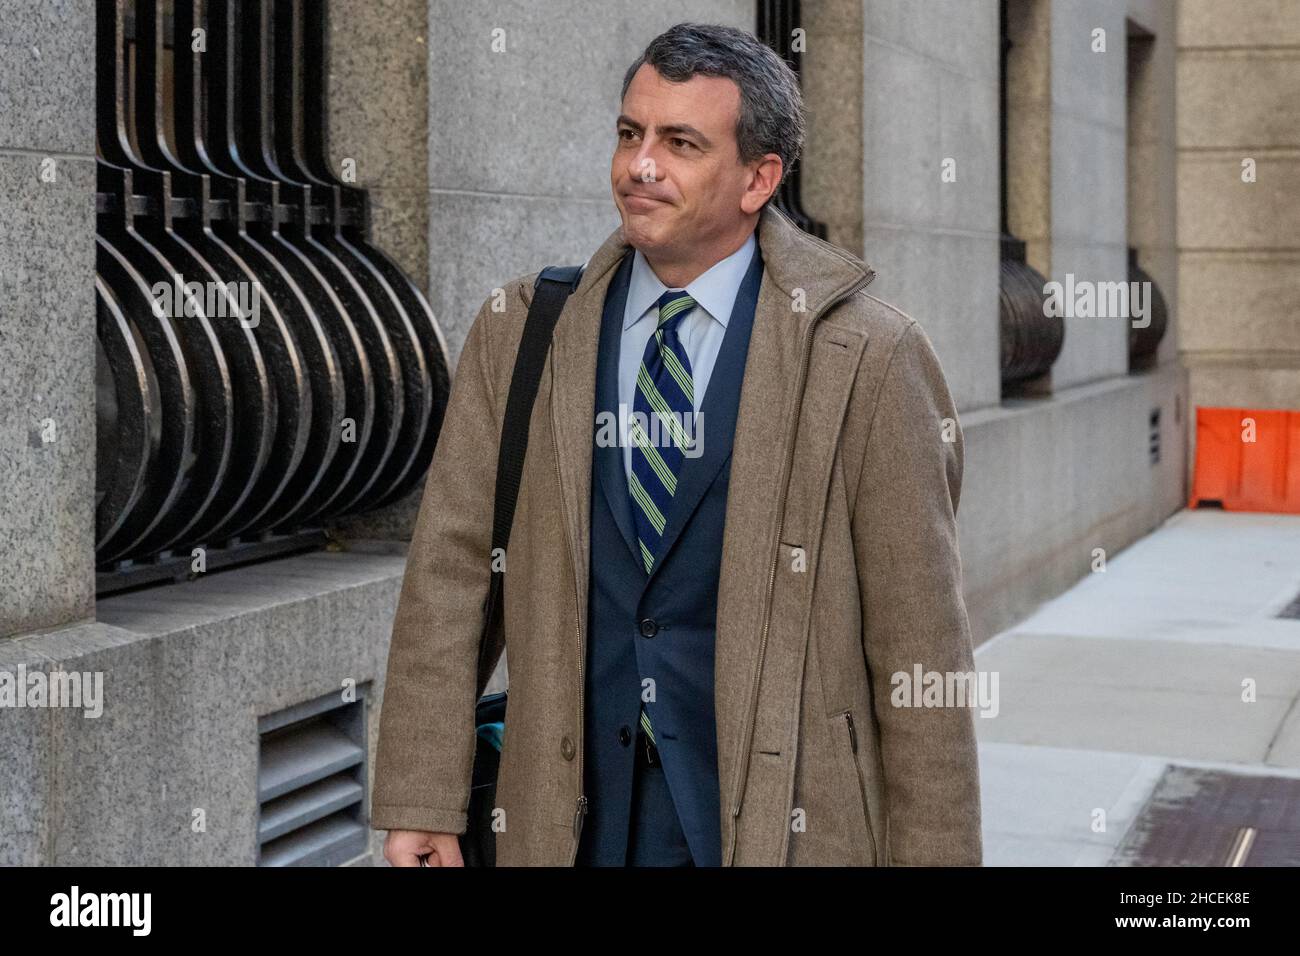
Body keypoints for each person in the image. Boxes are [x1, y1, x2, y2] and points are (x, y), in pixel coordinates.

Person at [371, 21, 982, 867]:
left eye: (681, 142)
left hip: (779, 825)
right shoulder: (524, 333)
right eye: (631, 134)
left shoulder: (868, 359)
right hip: (568, 821)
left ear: (758, 178)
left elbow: (922, 657)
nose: (641, 166)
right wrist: (421, 797)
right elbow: (451, 574)